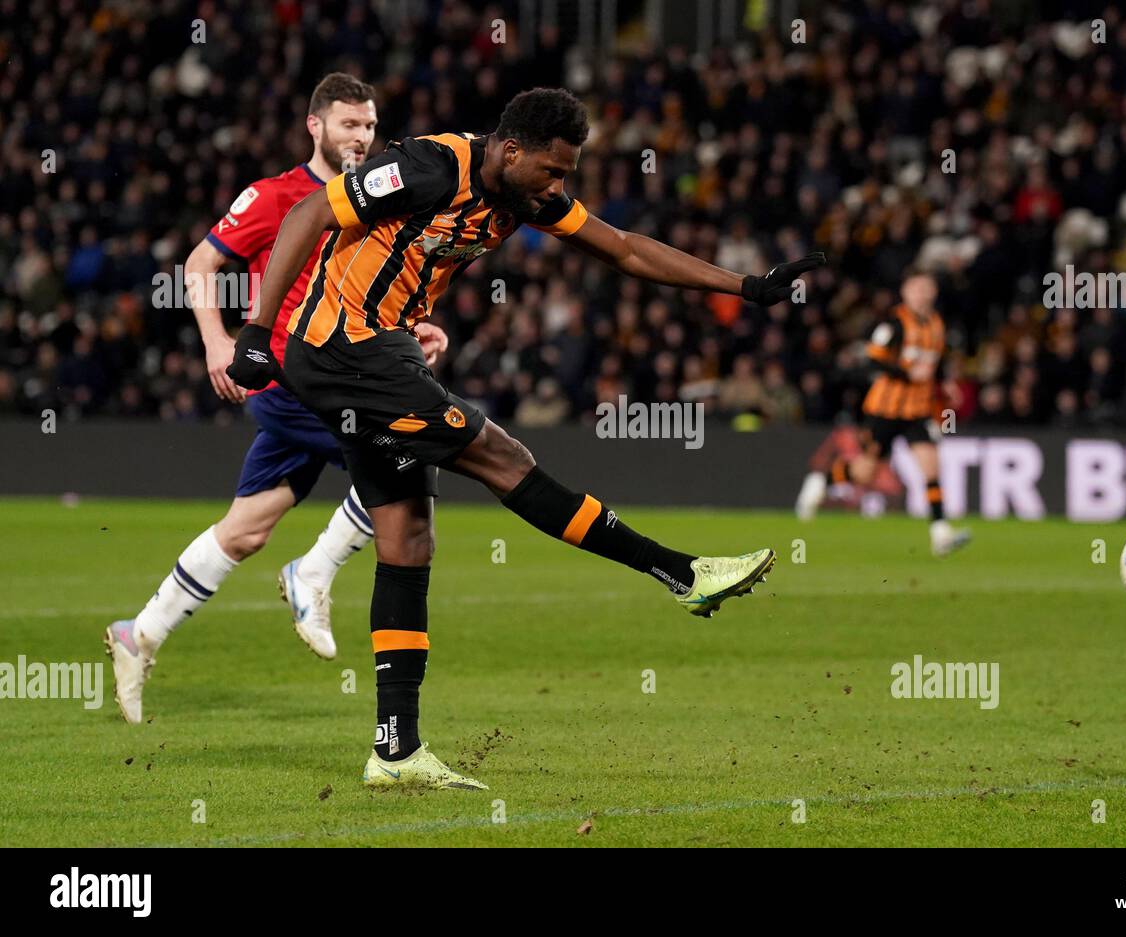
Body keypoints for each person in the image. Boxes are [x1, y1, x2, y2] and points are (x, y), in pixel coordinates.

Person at [227, 87, 824, 790]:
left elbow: (625, 250)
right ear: (511, 151)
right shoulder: (429, 166)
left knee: (408, 535)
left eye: (565, 174)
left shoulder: (526, 196)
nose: (557, 186)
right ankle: (681, 573)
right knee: (503, 456)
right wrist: (257, 329)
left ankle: (395, 750)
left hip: (382, 352)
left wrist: (746, 286)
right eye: (552, 170)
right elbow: (309, 212)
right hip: (343, 348)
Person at [105, 74, 395, 724]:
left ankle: (140, 632)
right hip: (289, 378)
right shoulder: (275, 196)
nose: (361, 137)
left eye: (370, 126)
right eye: (349, 124)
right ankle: (312, 573)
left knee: (246, 532)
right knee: (404, 458)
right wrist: (217, 341)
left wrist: (411, 328)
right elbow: (199, 265)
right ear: (315, 126)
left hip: (339, 375)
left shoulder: (371, 200)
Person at [795, 273, 970, 556]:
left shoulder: (938, 325)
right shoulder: (894, 324)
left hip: (918, 411)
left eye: (926, 289)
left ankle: (940, 533)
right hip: (884, 411)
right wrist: (906, 373)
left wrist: (945, 383)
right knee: (865, 472)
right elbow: (873, 358)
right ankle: (821, 481)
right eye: (916, 289)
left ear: (934, 292)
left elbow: (933, 364)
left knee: (931, 466)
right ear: (905, 292)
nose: (922, 294)